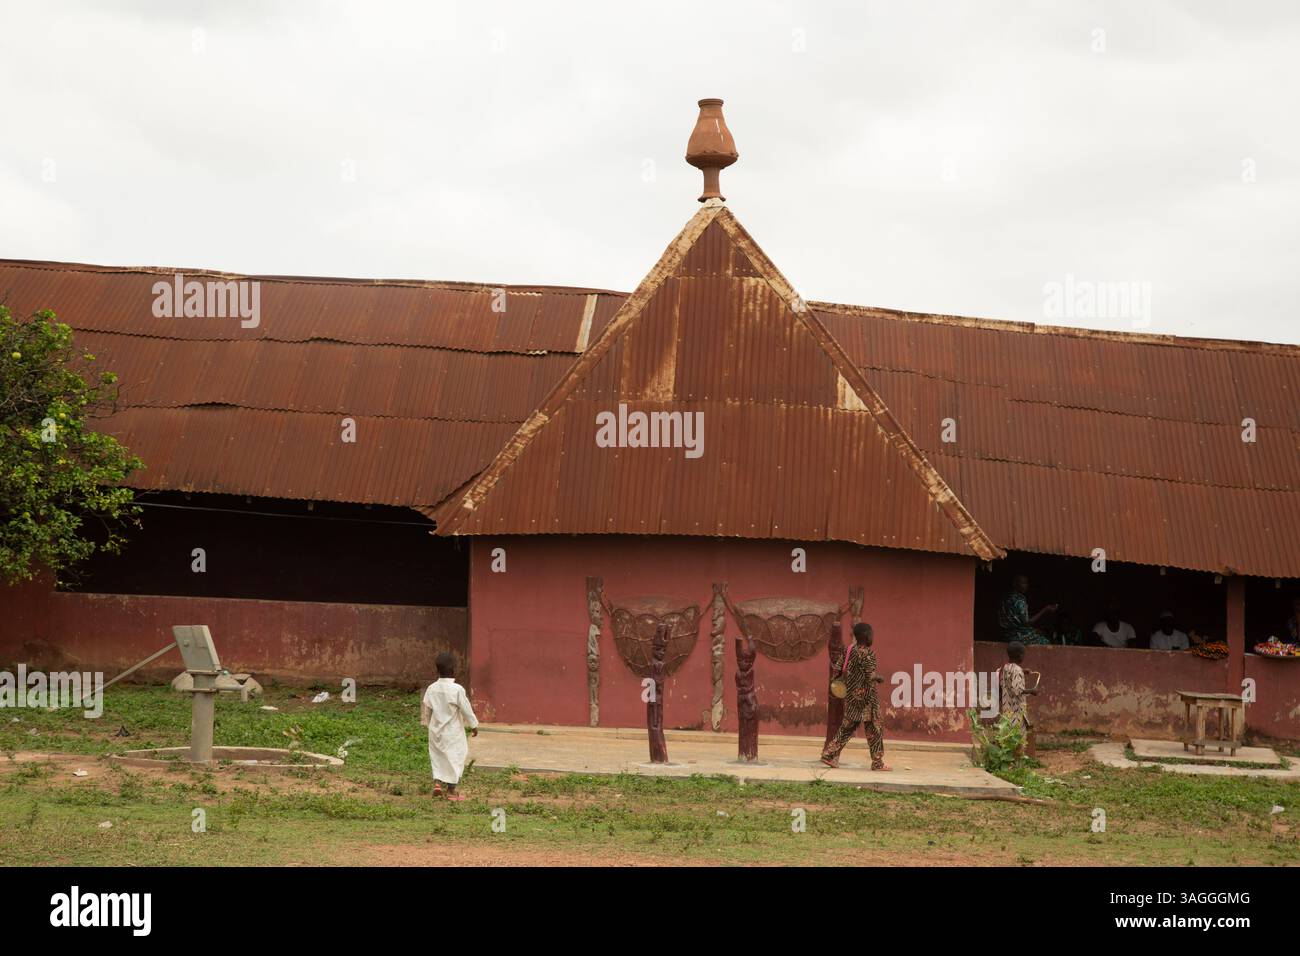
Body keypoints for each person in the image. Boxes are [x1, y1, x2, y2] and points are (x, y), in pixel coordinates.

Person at [820, 622, 890, 771]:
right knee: (875, 731)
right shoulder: (869, 653)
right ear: (866, 636)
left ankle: (829, 755)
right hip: (868, 701)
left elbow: (837, 668)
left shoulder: (848, 650)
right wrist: (880, 678)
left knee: (846, 728)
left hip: (852, 698)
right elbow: (870, 675)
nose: (873, 637)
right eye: (871, 634)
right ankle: (877, 763)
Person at [421, 651, 479, 801]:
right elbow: (466, 709)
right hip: (453, 733)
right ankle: (452, 791)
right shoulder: (457, 690)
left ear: (436, 670)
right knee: (456, 757)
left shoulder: (431, 689)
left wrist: (429, 725)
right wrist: (473, 725)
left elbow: (427, 710)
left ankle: (437, 783)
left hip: (435, 732)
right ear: (454, 669)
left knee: (437, 756)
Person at [999, 641, 1037, 757]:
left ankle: (1007, 761)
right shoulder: (1017, 670)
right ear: (1020, 655)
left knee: (1007, 736)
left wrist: (1022, 672)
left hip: (1006, 709)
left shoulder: (1006, 667)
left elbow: (1007, 681)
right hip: (1016, 712)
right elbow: (1017, 690)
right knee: (1018, 739)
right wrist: (1032, 691)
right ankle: (1017, 762)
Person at [997, 574, 1057, 645]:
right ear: (1015, 584)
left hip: (1008, 634)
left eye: (1026, 583)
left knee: (1037, 631)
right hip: (1017, 635)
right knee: (1045, 641)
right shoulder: (1019, 600)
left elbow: (1018, 619)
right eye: (1023, 583)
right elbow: (1027, 622)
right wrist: (1045, 609)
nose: (1026, 585)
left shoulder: (1007, 597)